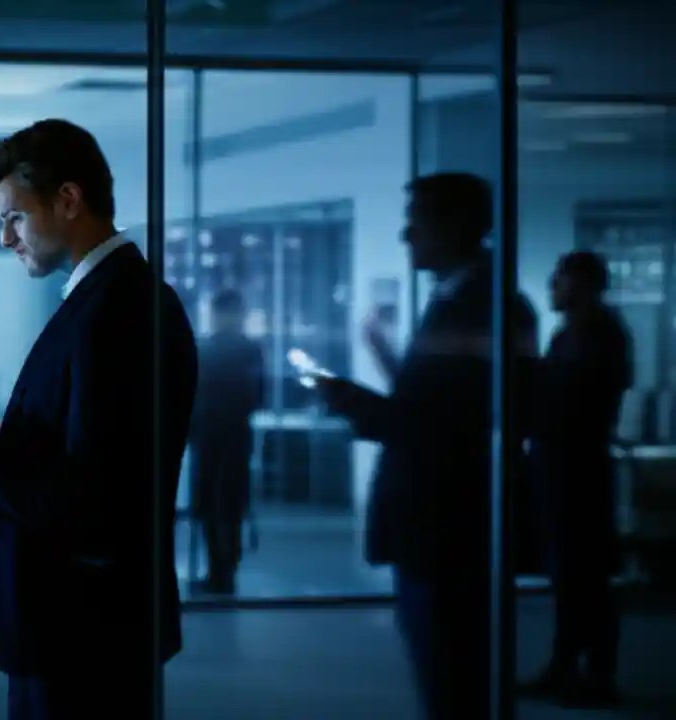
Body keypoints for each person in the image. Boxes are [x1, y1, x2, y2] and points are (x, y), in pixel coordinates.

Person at [0, 119, 198, 720]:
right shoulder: (105, 300)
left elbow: (94, 495)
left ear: (68, 199)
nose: (5, 238)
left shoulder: (117, 311)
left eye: (15, 217)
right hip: (79, 625)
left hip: (85, 631)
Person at [316, 173, 538, 719]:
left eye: (416, 221)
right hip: (437, 523)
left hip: (448, 524)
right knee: (443, 670)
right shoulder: (460, 300)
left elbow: (451, 425)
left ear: (455, 225)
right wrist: (380, 367)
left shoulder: (485, 306)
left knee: (451, 674)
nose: (406, 235)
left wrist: (359, 405)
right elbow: (439, 405)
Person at [521, 251, 632, 708]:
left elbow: (570, 400)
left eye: (560, 279)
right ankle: (567, 666)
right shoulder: (576, 334)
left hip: (577, 468)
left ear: (584, 284)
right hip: (564, 465)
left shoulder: (597, 334)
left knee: (584, 576)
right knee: (571, 576)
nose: (553, 287)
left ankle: (595, 675)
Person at [189, 289, 266, 595]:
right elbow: (258, 394)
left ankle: (217, 571)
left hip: (209, 434)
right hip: (233, 433)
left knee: (212, 504)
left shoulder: (206, 349)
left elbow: (193, 392)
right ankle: (223, 571)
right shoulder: (249, 350)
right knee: (227, 505)